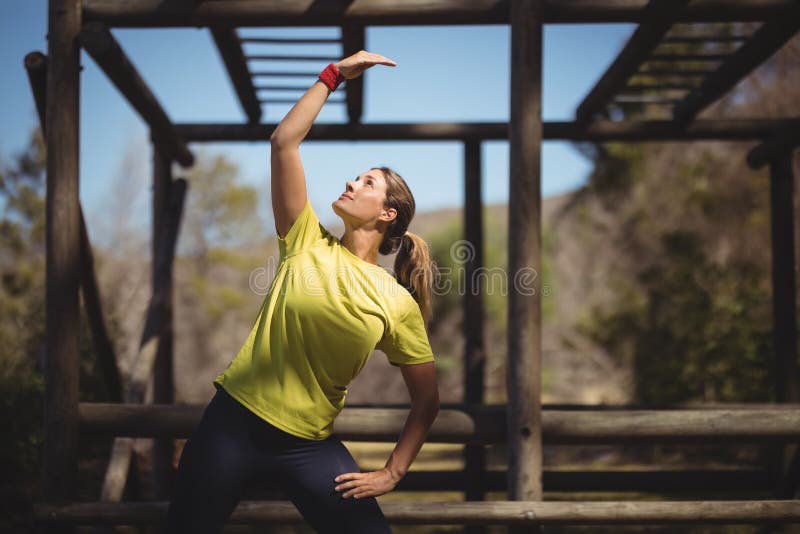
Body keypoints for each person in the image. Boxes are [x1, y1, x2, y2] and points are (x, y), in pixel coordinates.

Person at [165, 50, 440, 534]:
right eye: (356, 176)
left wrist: (393, 471)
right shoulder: (304, 238)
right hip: (231, 427)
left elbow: (427, 400)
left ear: (387, 214)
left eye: (367, 181)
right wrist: (333, 76)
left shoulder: (396, 301)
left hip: (307, 447)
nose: (352, 181)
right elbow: (284, 142)